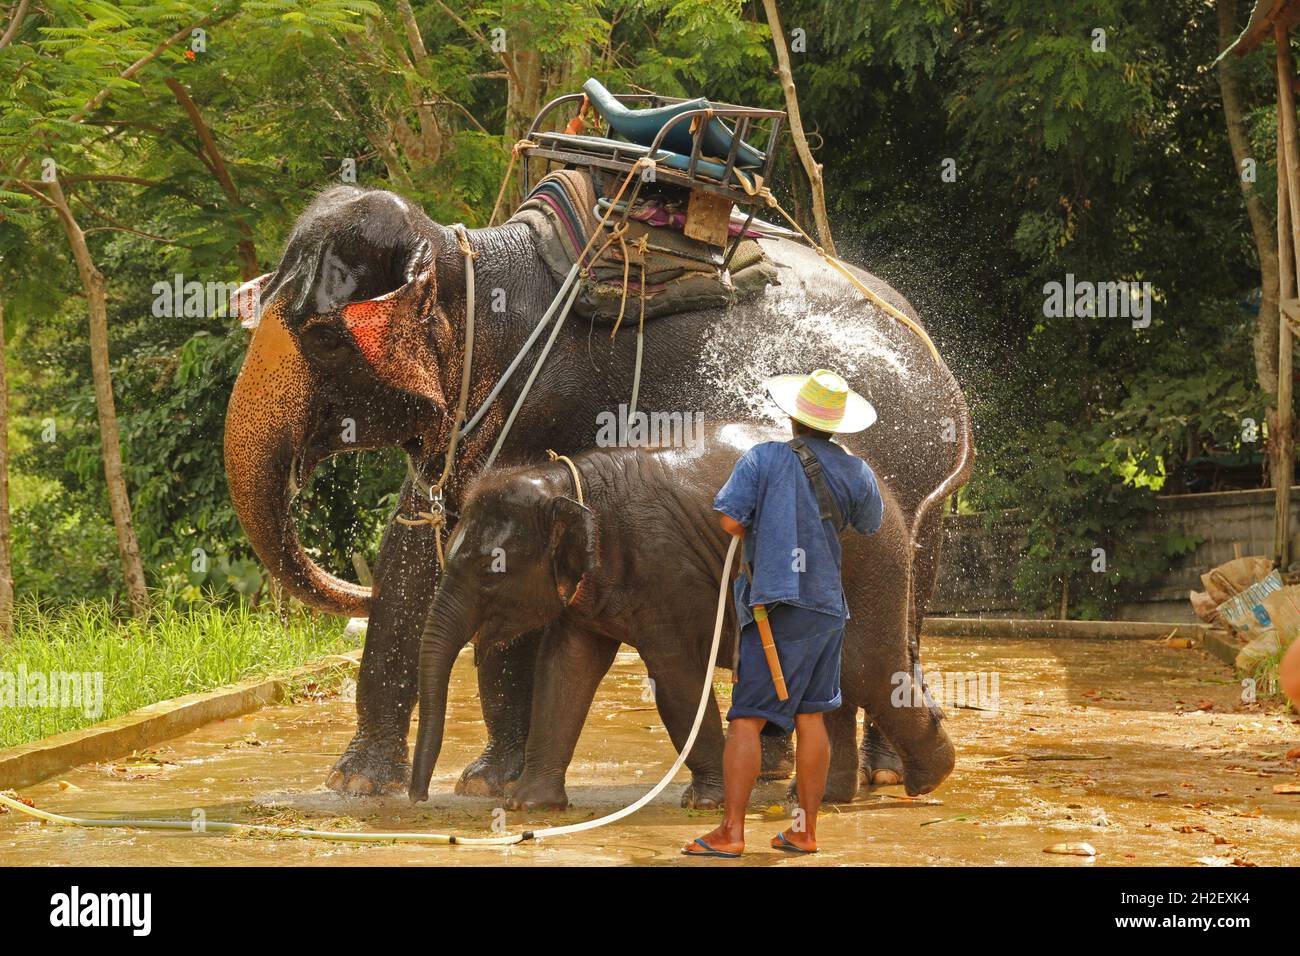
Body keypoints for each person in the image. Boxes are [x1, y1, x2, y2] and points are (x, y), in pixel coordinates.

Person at [683, 369, 884, 858]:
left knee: (747, 720)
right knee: (812, 716)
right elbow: (871, 523)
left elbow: (731, 519)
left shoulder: (765, 457)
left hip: (777, 608)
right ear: (837, 424)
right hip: (828, 610)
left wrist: (766, 523)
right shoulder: (856, 470)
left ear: (793, 415)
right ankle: (803, 831)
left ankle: (730, 832)